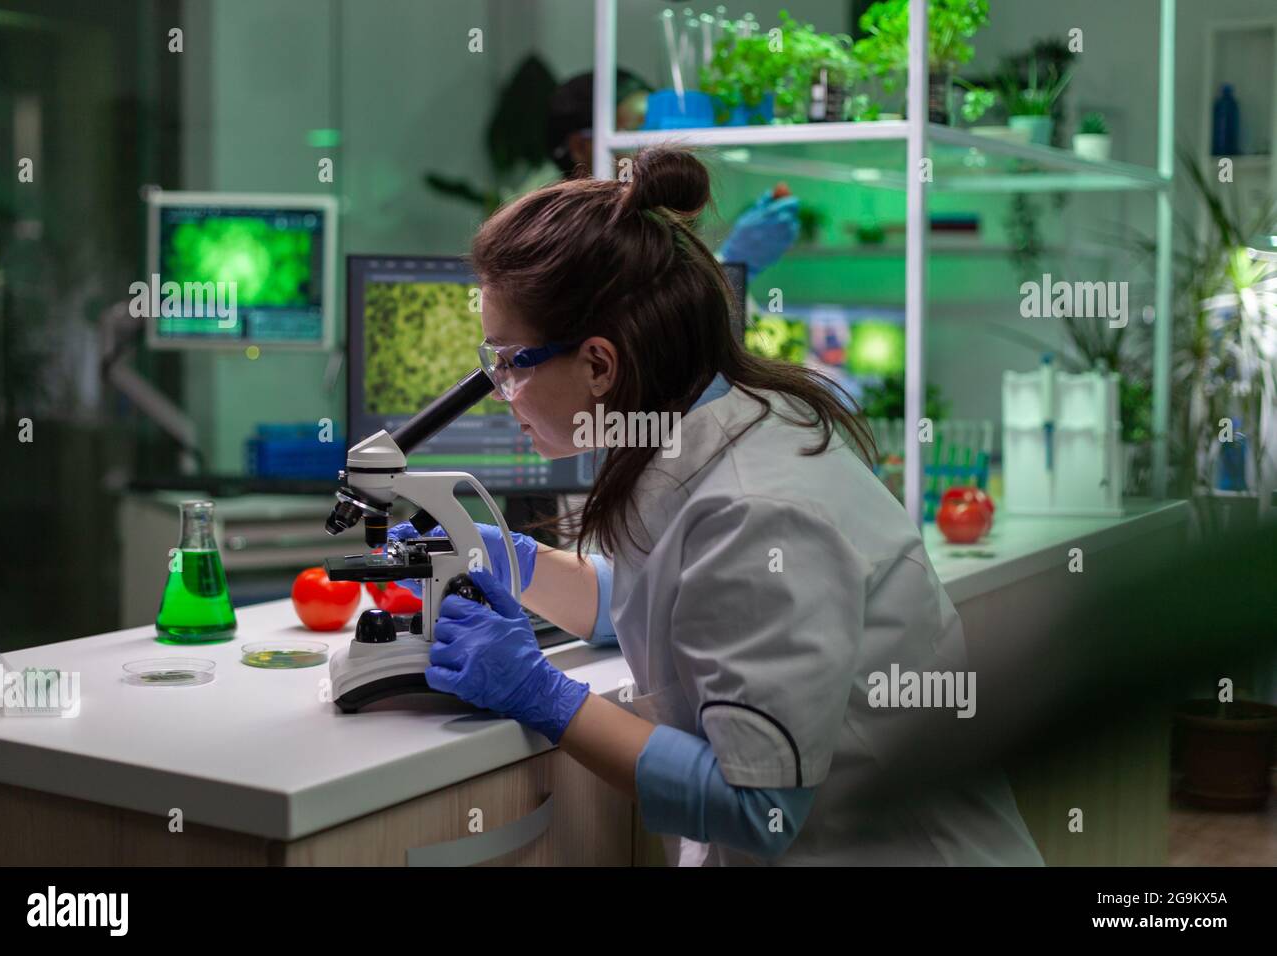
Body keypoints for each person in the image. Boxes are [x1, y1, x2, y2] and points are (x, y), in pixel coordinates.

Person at [391, 147, 1043, 866]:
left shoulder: (758, 508)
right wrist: (505, 561)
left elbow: (757, 806)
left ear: (601, 364)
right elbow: (663, 605)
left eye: (508, 364)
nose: (500, 390)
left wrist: (542, 695)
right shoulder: (712, 428)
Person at [526, 69, 800, 280]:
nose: (659, 147)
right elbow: (648, 326)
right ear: (582, 146)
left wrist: (730, 263)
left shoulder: (647, 218)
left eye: (660, 128)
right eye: (640, 129)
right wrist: (731, 262)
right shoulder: (555, 230)